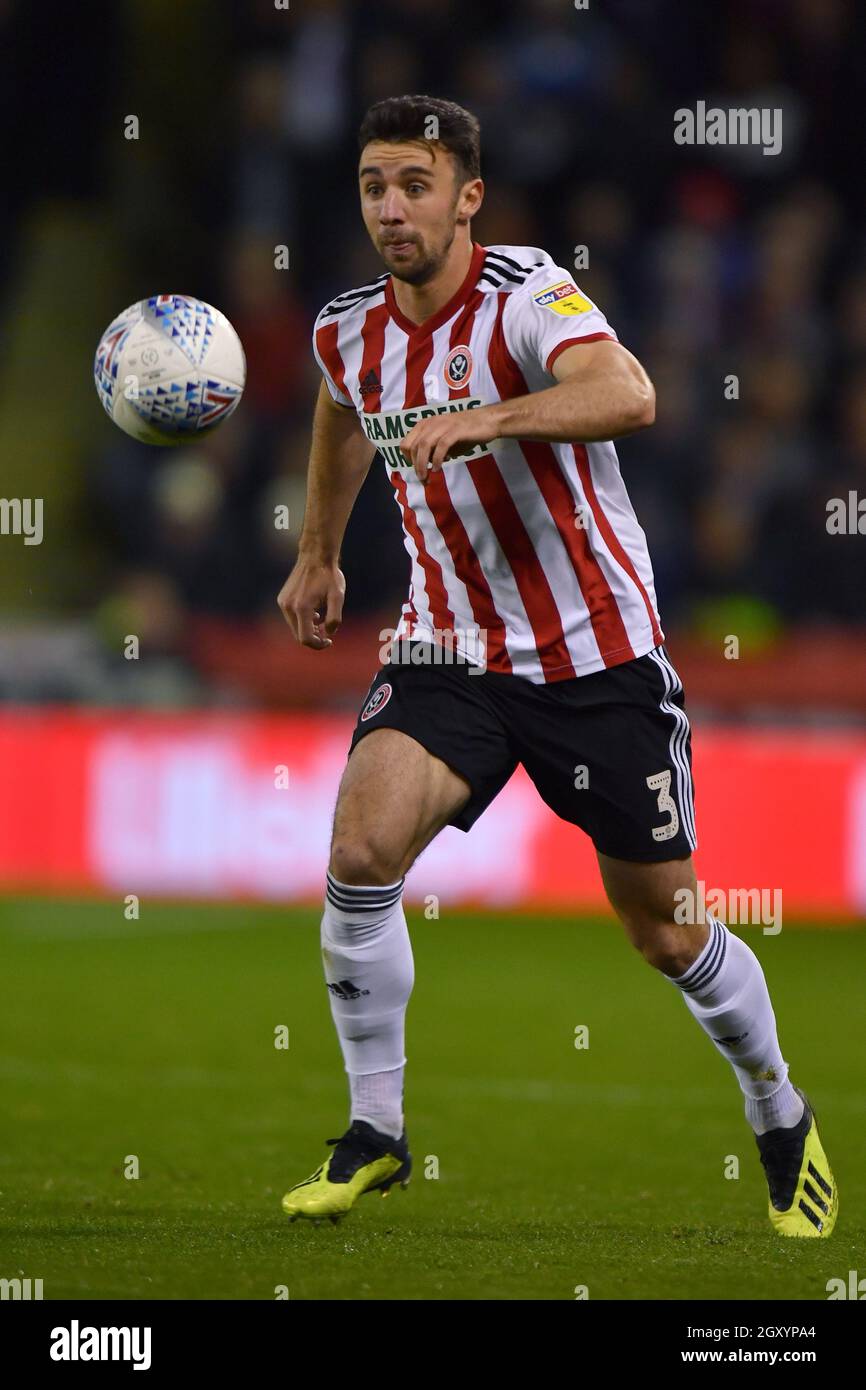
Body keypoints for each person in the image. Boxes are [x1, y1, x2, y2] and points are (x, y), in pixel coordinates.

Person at [277, 95, 836, 1236]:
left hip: (595, 659)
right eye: (375, 185)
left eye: (415, 185)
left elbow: (627, 391)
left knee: (665, 931)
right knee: (358, 846)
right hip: (447, 648)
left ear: (466, 198)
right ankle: (375, 1131)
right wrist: (318, 550)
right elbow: (341, 414)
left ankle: (777, 1111)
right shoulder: (346, 327)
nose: (391, 208)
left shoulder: (523, 293)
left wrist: (495, 419)